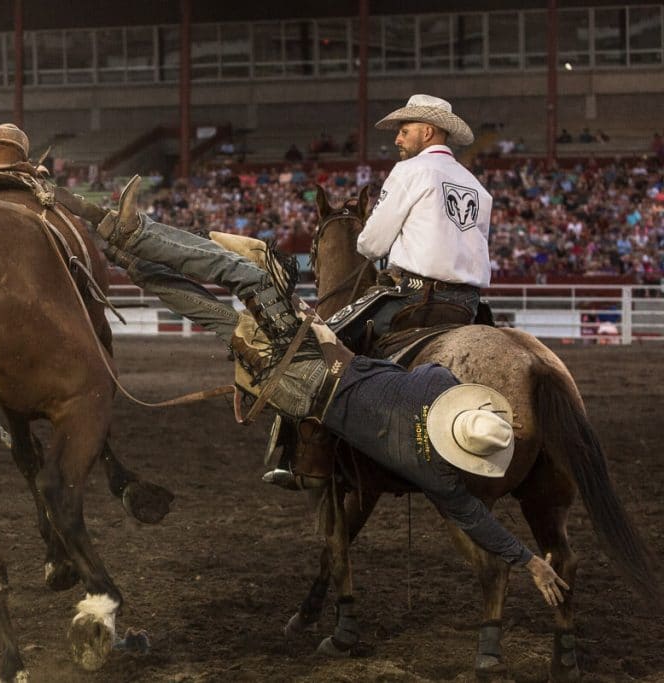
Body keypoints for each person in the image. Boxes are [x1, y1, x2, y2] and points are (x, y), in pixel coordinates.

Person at [93, 175, 569, 608]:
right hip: (311, 382)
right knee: (216, 315)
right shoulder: (439, 478)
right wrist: (530, 561)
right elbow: (479, 522)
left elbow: (397, 353)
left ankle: (136, 236)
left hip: (316, 372)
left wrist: (330, 328)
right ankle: (129, 257)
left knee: (252, 274)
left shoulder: (436, 383)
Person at [341, 93, 492, 351]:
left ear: (427, 132)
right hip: (468, 305)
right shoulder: (476, 186)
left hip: (418, 299)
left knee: (330, 341)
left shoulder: (410, 170)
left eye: (404, 132)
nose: (397, 139)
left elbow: (372, 245)